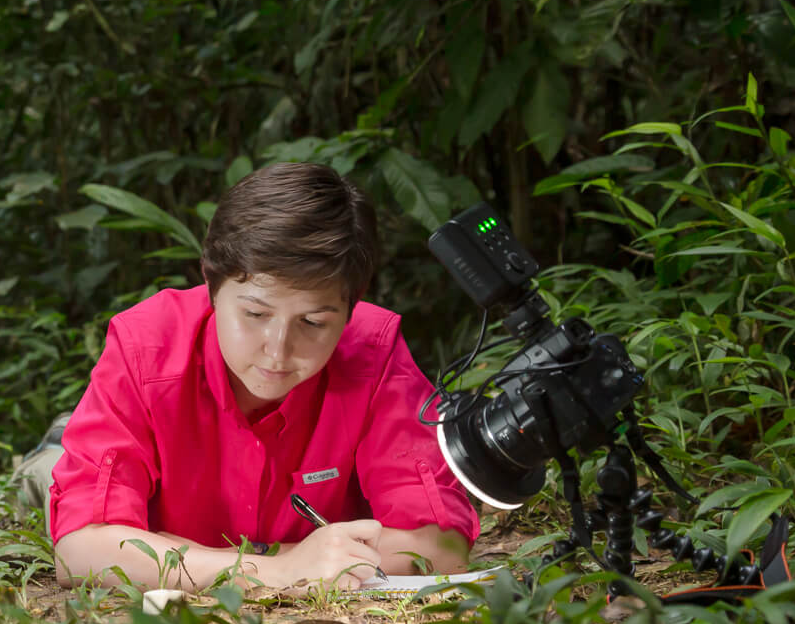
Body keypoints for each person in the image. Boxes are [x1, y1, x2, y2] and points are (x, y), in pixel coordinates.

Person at [37, 162, 480, 594]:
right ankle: (56, 442)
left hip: (194, 546)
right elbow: (81, 551)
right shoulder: (146, 346)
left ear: (350, 308)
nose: (278, 350)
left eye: (313, 322)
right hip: (107, 436)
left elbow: (440, 548)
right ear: (211, 285)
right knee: (47, 473)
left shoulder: (372, 351)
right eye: (254, 314)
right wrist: (279, 568)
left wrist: (237, 558)